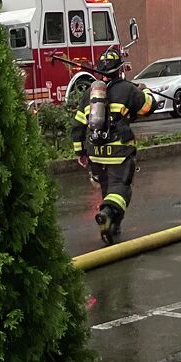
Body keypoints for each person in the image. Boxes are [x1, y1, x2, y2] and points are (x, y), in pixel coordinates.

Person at [73, 44, 155, 244]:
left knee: (108, 189)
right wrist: (146, 91)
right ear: (120, 69)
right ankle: (107, 213)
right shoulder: (127, 89)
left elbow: (77, 126)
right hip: (119, 151)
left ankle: (111, 226)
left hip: (95, 153)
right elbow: (148, 107)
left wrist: (81, 153)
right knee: (121, 188)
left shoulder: (89, 95)